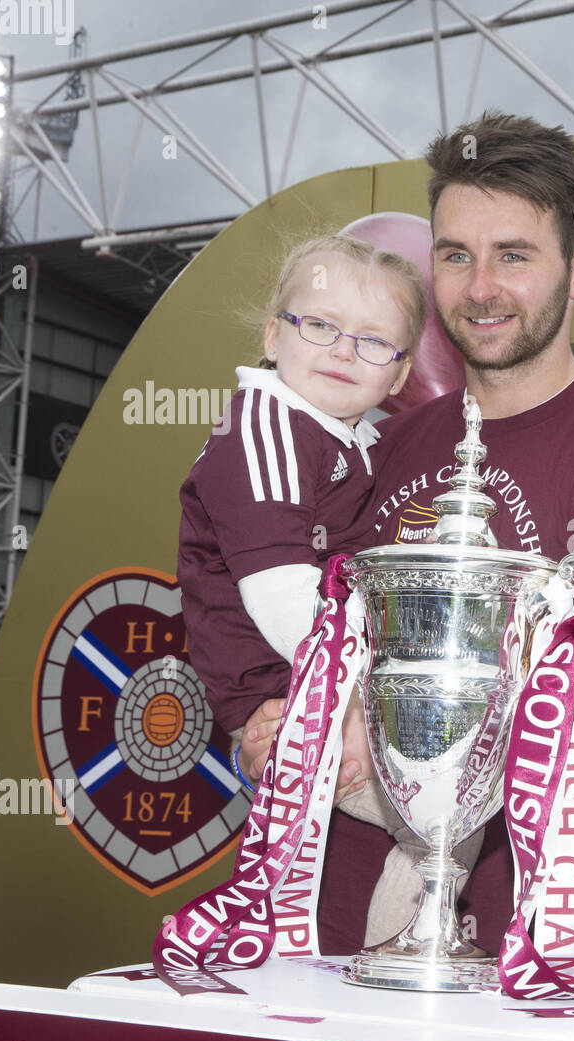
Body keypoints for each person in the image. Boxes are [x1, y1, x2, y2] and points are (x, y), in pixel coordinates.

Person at [241, 113, 574, 956]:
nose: (480, 287)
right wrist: (281, 722)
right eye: (456, 255)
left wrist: (389, 720)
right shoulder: (384, 445)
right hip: (314, 916)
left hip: (508, 940)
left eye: (514, 255)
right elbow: (304, 632)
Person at [179, 234, 424, 775]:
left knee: (452, 800)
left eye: (375, 340)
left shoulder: (354, 438)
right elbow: (281, 594)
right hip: (283, 690)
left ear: (400, 374)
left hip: (321, 674)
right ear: (273, 335)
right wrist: (378, 690)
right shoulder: (264, 425)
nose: (343, 350)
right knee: (443, 797)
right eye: (319, 325)